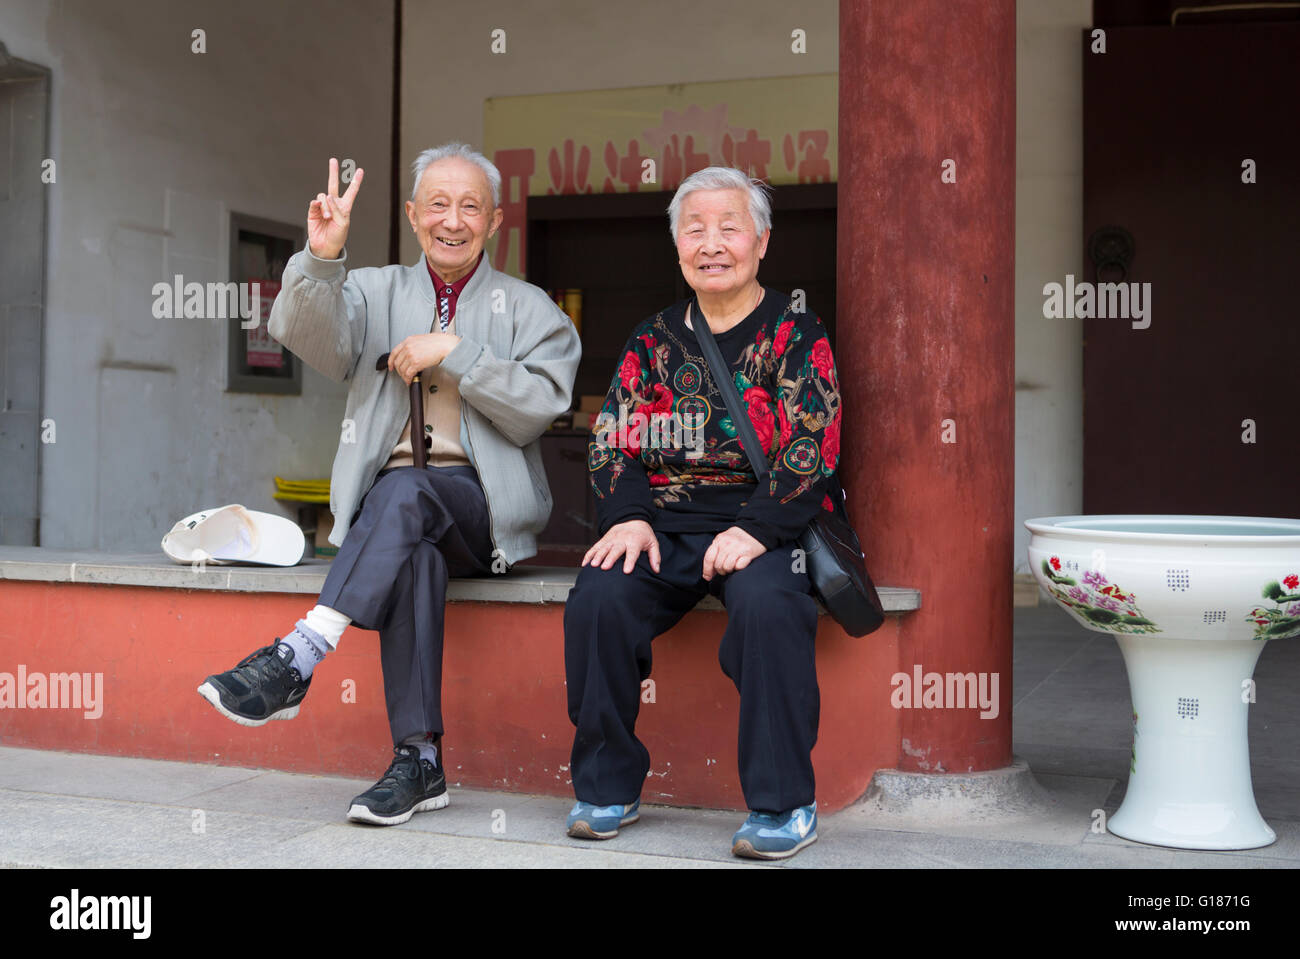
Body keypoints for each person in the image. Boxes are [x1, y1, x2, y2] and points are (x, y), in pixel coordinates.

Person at [197, 143, 581, 826]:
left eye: (470, 206)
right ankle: (420, 759)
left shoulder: (531, 308)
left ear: (494, 222)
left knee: (407, 495)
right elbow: (311, 338)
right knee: (413, 549)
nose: (452, 219)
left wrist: (456, 351)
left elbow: (541, 405)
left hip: (480, 507)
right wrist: (321, 259)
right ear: (412, 215)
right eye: (438, 203)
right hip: (396, 519)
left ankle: (300, 652)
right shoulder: (373, 291)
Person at [563, 166, 843, 860]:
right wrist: (626, 517)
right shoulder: (651, 340)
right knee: (598, 596)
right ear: (677, 245)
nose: (712, 243)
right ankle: (608, 787)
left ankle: (783, 805)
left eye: (729, 227)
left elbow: (813, 447)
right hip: (662, 525)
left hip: (765, 524)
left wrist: (754, 529)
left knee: (771, 605)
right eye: (695, 228)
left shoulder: (795, 333)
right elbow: (612, 442)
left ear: (761, 241)